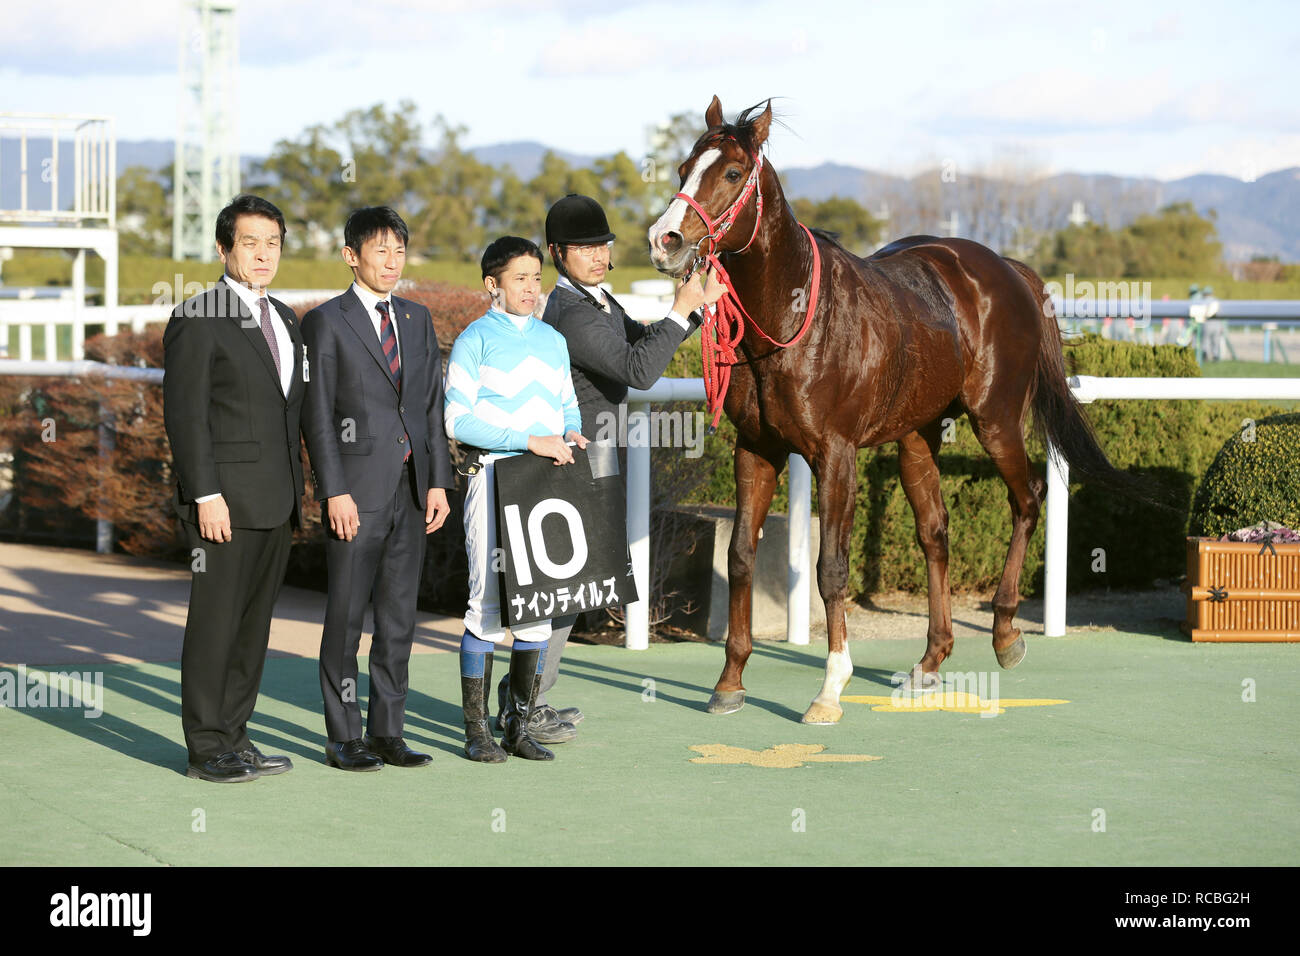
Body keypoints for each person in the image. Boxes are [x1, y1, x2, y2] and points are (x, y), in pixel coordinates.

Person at [493, 194, 723, 743]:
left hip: (588, 459)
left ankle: (525, 701)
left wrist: (693, 308)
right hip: (570, 464)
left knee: (568, 596)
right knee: (557, 595)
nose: (598, 255)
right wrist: (678, 308)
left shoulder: (593, 299)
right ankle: (522, 706)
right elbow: (638, 371)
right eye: (584, 247)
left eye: (603, 244)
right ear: (557, 253)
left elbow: (641, 342)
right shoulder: (570, 311)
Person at [300, 206, 453, 771]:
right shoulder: (325, 321)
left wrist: (438, 480)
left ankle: (388, 730)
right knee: (344, 621)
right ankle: (344, 735)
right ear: (351, 256)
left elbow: (430, 409)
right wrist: (331, 490)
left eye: (399, 251)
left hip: (412, 492)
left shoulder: (416, 318)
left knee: (397, 619)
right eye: (379, 250)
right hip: (355, 495)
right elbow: (317, 417)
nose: (391, 262)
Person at [163, 194, 304, 783]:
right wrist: (205, 494)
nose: (263, 254)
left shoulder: (288, 318)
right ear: (224, 249)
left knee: (252, 629)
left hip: (277, 499)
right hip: (222, 503)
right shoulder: (198, 315)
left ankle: (236, 737)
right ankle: (205, 748)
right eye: (250, 242)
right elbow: (186, 414)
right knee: (215, 626)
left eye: (272, 243)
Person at [445, 236, 586, 762]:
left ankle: (518, 727)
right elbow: (456, 420)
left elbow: (566, 404)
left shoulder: (553, 340)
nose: (531, 287)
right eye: (519, 278)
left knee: (537, 608)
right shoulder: (473, 340)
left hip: (545, 486)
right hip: (493, 479)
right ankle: (475, 731)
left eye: (536, 277)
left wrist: (571, 433)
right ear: (492, 285)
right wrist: (529, 440)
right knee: (486, 604)